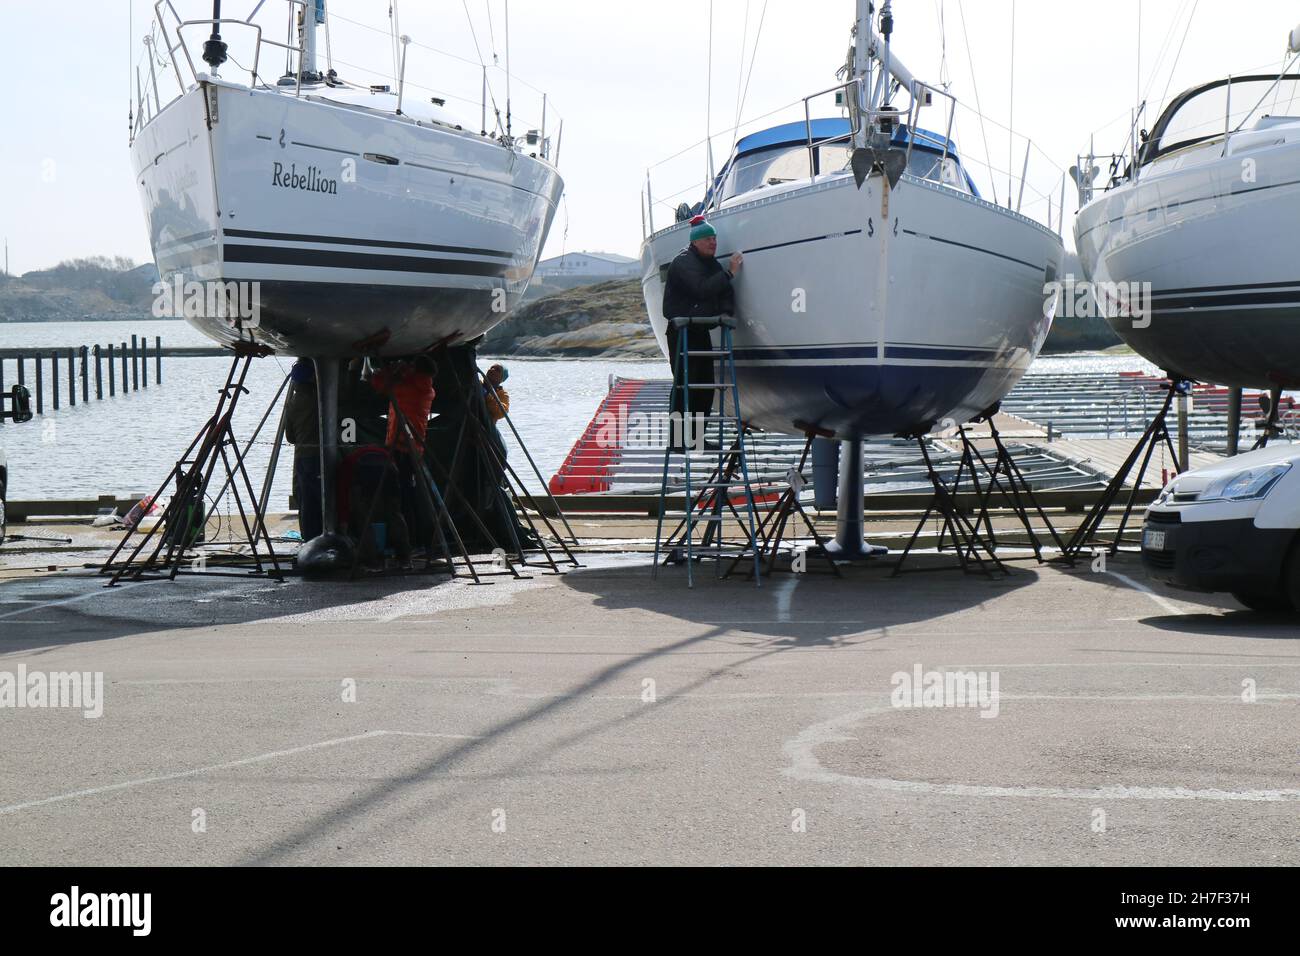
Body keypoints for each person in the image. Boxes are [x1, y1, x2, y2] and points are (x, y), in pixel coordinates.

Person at [661, 217, 743, 451]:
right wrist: (729, 273)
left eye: (715, 239)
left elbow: (724, 293)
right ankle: (676, 441)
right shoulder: (683, 262)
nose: (713, 243)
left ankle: (696, 438)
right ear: (695, 242)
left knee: (704, 386)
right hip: (681, 331)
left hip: (700, 330)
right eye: (708, 239)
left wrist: (727, 314)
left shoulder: (711, 264)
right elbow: (701, 289)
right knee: (683, 385)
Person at [284, 359, 322, 541]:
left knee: (305, 499)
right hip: (317, 456)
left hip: (301, 457)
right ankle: (319, 535)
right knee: (318, 497)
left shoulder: (292, 403)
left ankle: (308, 536)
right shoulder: (316, 400)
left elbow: (290, 437)